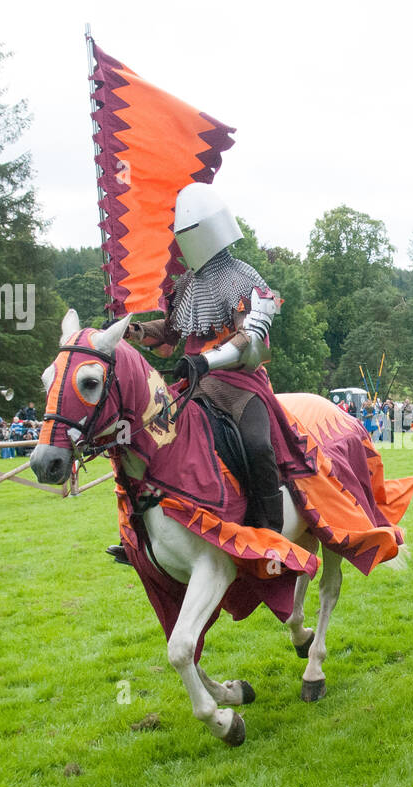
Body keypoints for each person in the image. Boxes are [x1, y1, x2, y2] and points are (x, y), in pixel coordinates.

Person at [120, 181, 288, 556]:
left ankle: (270, 531)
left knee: (258, 445)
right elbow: (168, 332)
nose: (185, 240)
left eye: (189, 232)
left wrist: (204, 360)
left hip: (241, 386)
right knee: (143, 439)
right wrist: (129, 330)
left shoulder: (245, 278)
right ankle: (139, 533)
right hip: (194, 386)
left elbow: (253, 339)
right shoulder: (187, 285)